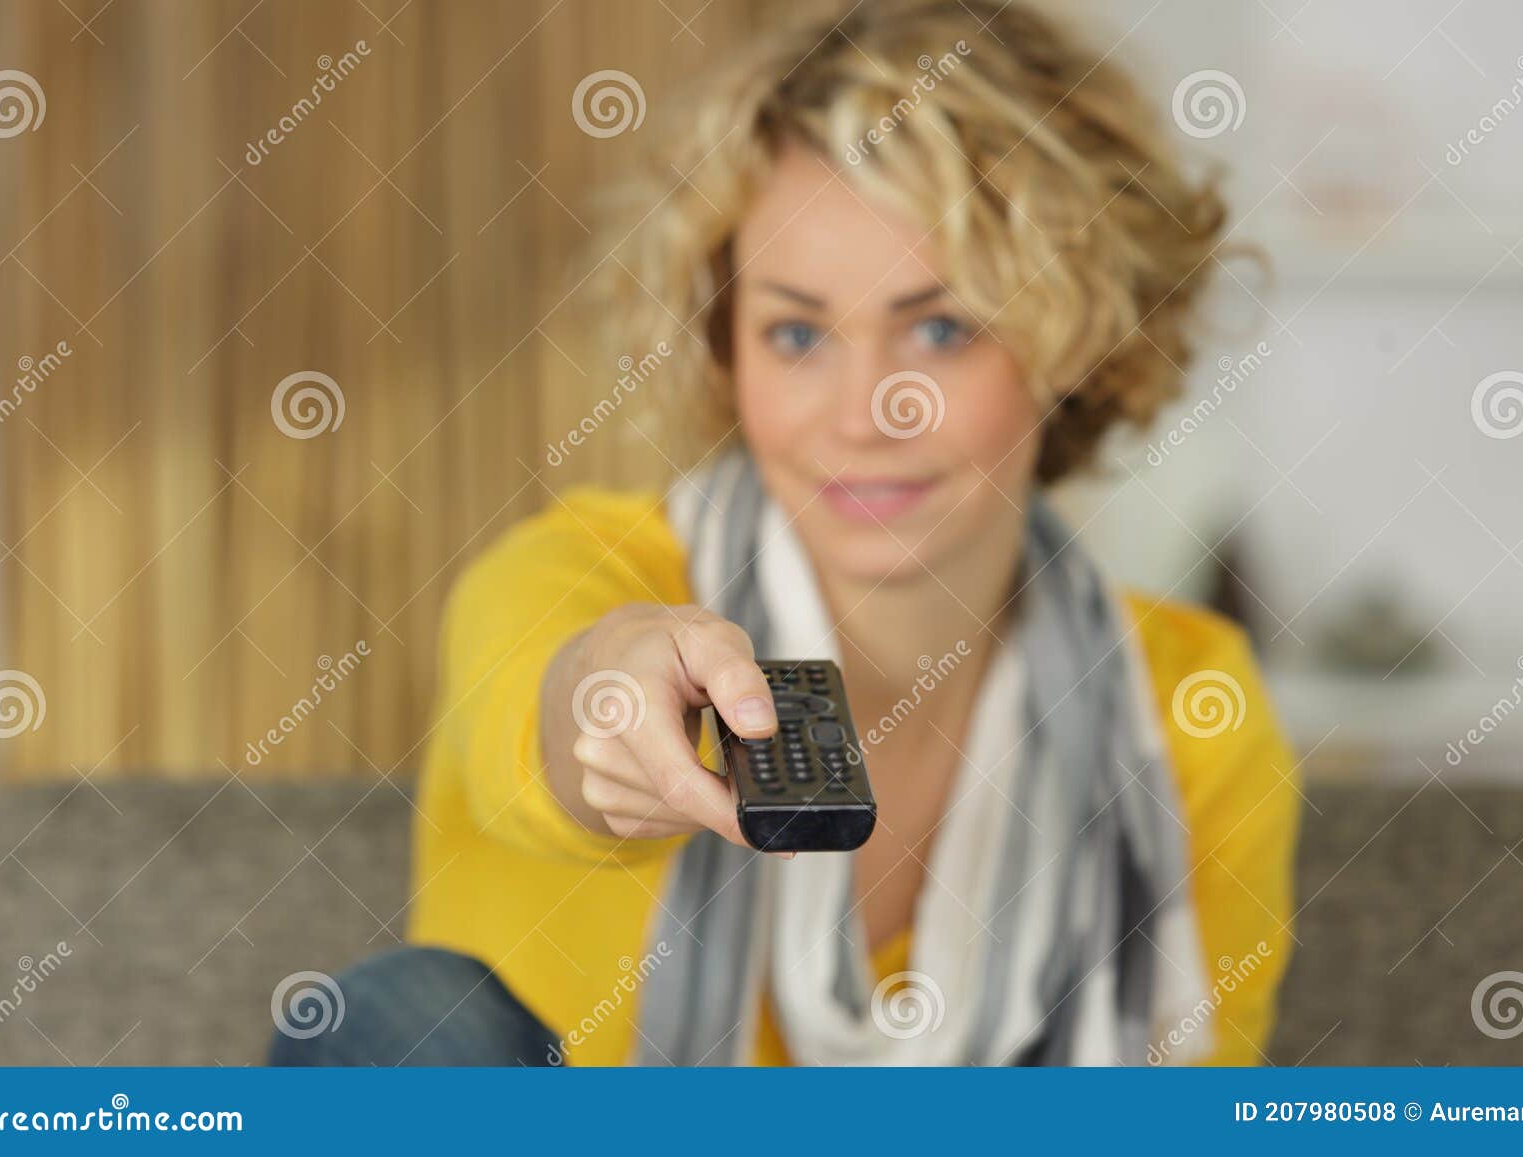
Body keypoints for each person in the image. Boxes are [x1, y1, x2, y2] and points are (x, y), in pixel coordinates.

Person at [271, 0, 1299, 1068]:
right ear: (726, 346)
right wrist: (614, 711)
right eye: (796, 331)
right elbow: (556, 703)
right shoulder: (569, 573)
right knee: (403, 1013)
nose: (863, 412)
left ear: (1077, 336)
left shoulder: (1192, 712)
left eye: (942, 328)